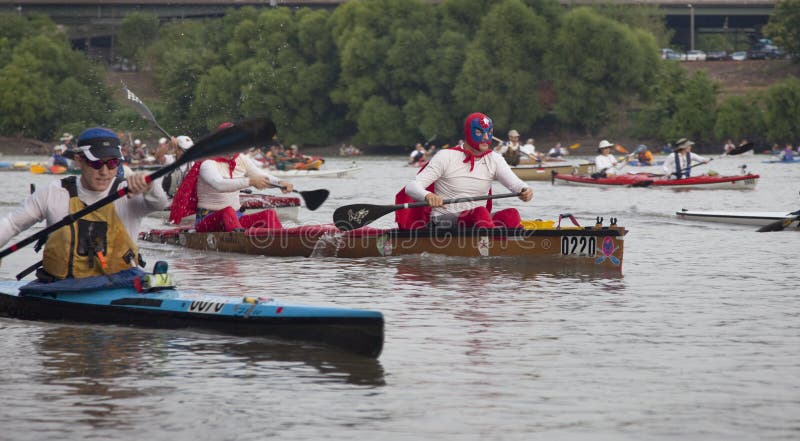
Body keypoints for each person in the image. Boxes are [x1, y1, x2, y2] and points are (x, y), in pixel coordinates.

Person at [0, 127, 168, 281]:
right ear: (79, 160)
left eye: (112, 163)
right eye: (96, 163)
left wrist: (150, 186)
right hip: (60, 288)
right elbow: (12, 224)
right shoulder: (53, 192)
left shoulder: (128, 192)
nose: (104, 172)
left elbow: (160, 203)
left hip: (120, 286)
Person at [397, 112, 533, 230]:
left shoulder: (495, 159)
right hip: (443, 220)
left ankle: (503, 245)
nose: (486, 137)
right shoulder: (446, 156)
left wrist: (525, 190)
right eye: (480, 132)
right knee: (480, 213)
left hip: (479, 221)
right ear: (469, 133)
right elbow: (411, 187)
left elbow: (515, 184)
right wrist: (428, 196)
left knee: (512, 214)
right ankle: (493, 248)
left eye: (489, 133)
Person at [169, 124, 294, 232]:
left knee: (269, 215)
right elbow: (220, 184)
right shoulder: (207, 163)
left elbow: (260, 175)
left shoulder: (242, 159)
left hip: (236, 218)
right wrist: (250, 181)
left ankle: (282, 240)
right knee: (227, 211)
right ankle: (240, 240)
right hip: (207, 222)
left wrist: (280, 182)